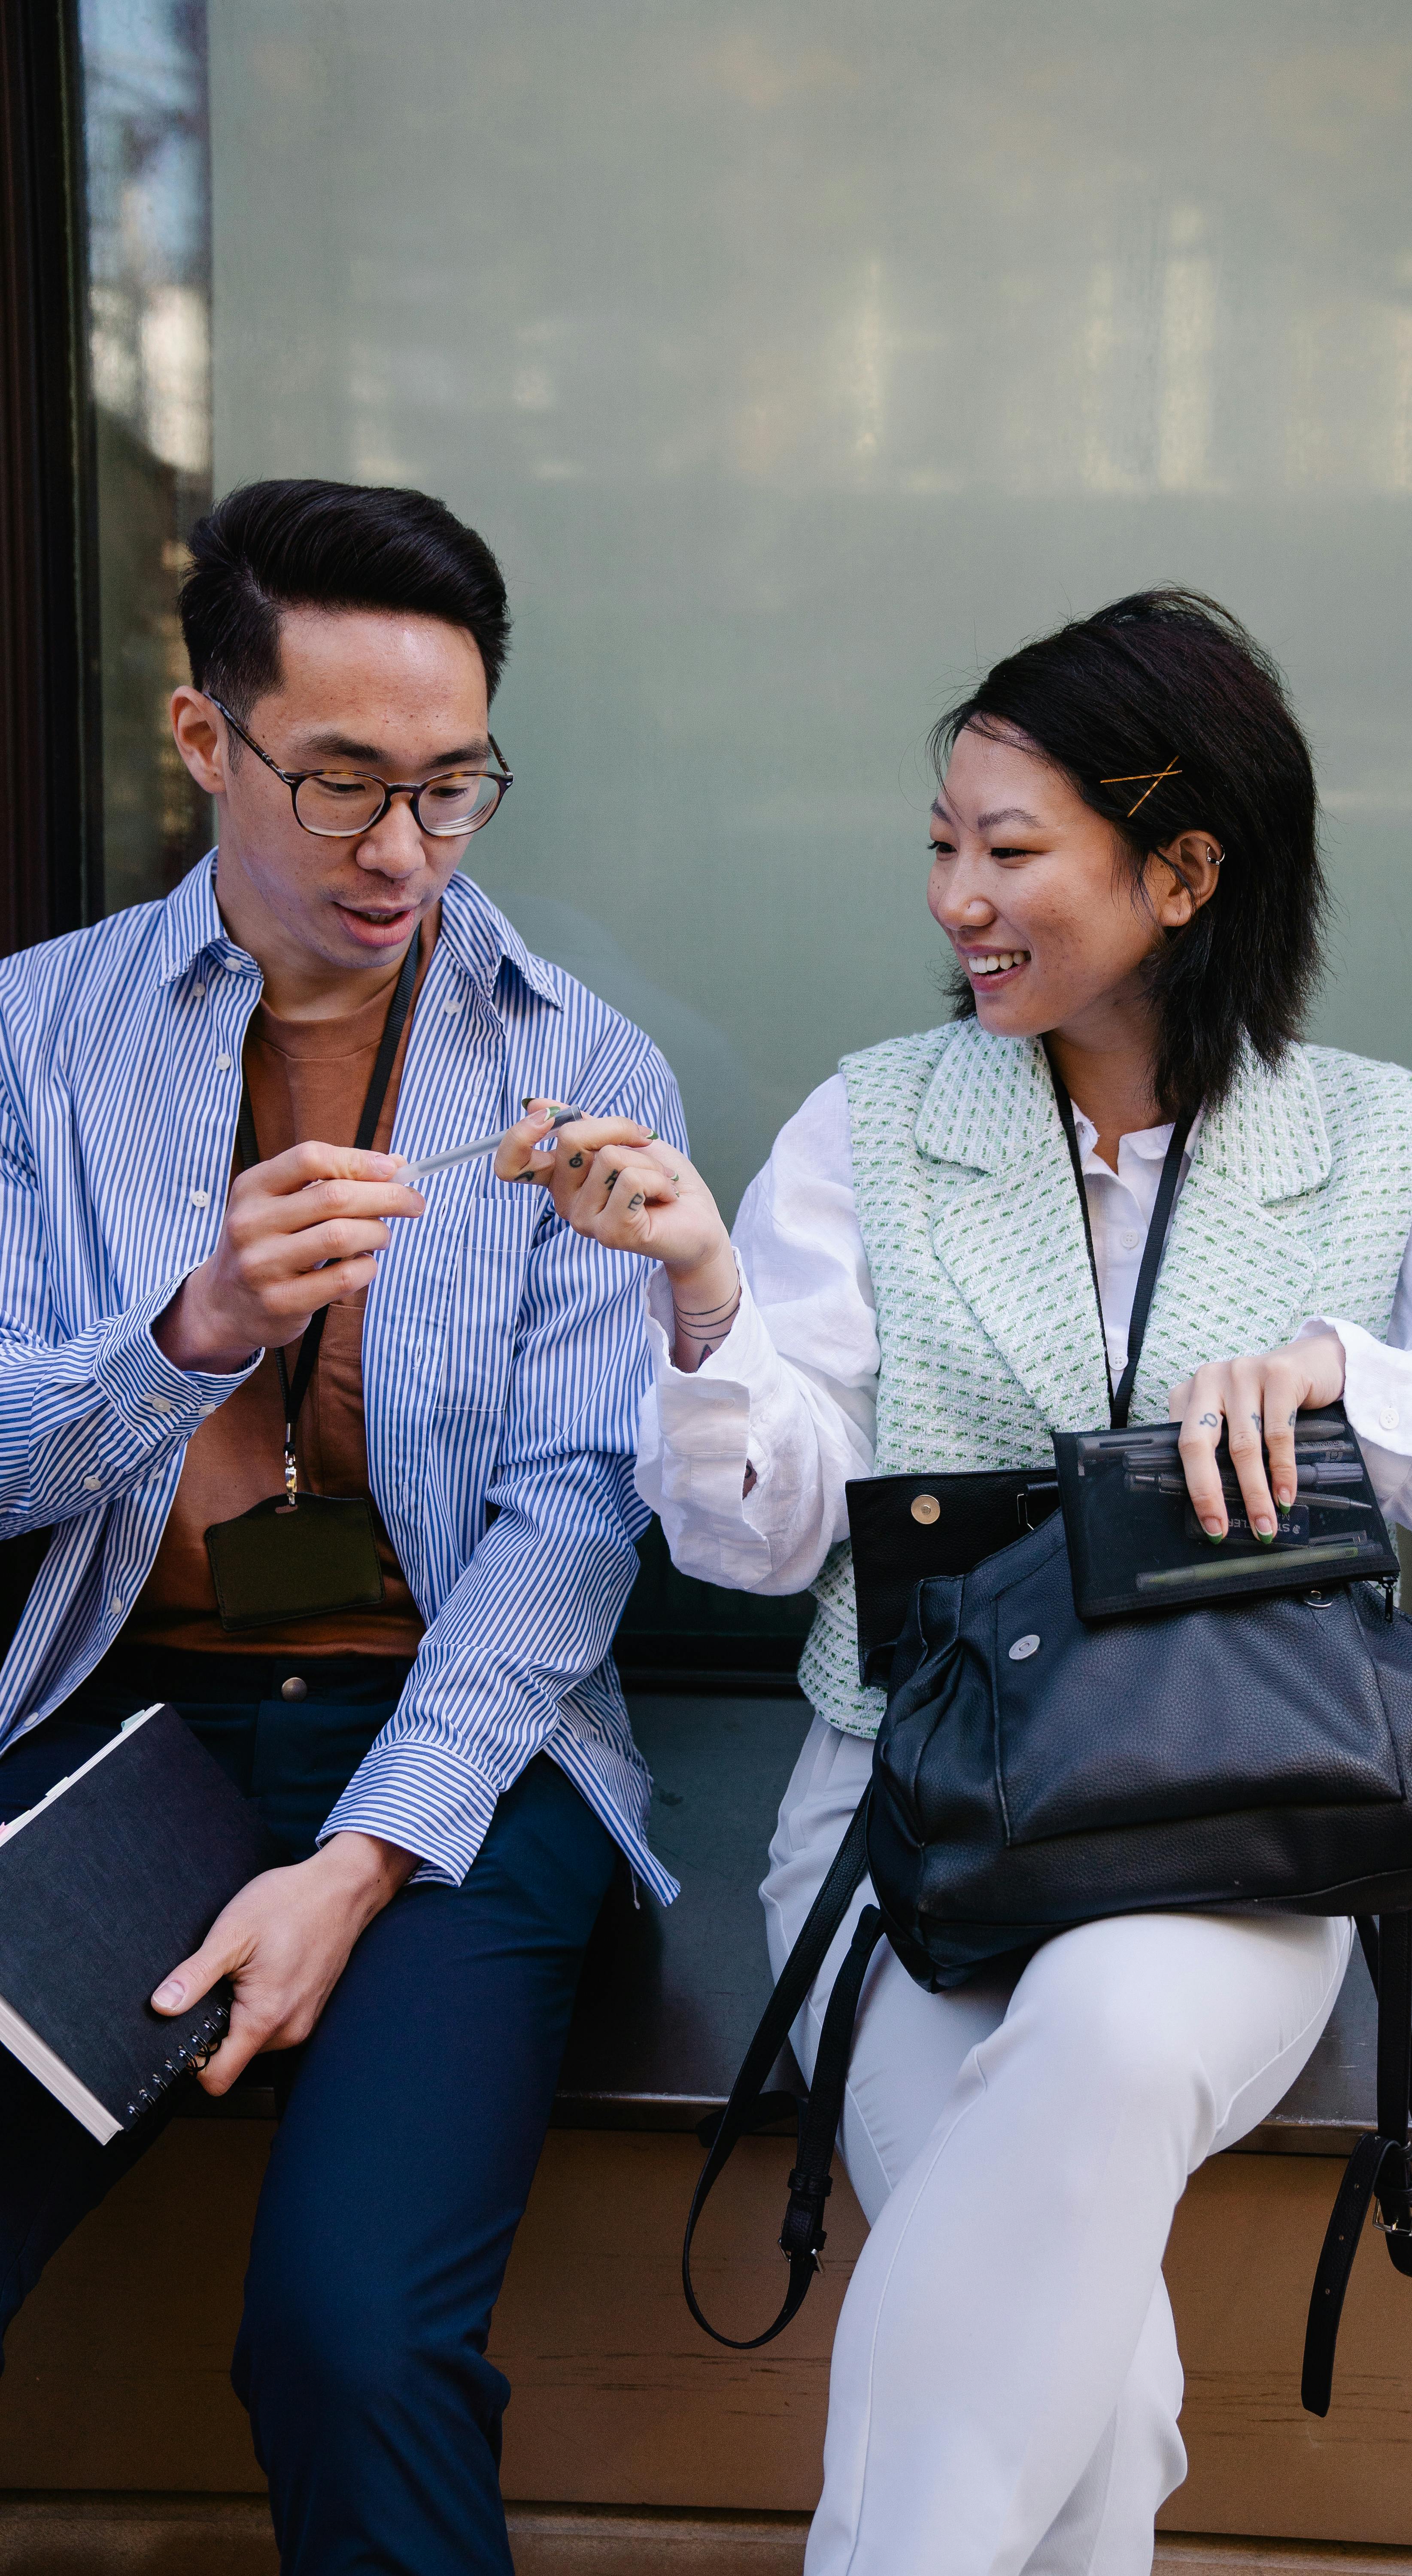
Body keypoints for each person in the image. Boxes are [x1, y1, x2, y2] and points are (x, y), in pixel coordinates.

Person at [498, 588, 1412, 2575]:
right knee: (1090, 2398)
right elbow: (754, 1542)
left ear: (1185, 870)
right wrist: (700, 1296)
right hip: (898, 1829)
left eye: (1011, 849)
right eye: (943, 842)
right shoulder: (873, 1127)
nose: (958, 894)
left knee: (1116, 2035)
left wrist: (1350, 1379)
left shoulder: (1393, 1150)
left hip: (1233, 1845)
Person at [0, 478, 685, 2575]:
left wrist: (361, 1862)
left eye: (454, 786)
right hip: (132, 1739)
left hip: (466, 1764)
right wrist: (188, 1328)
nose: (404, 851)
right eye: (344, 784)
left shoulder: (576, 1062)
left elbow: (575, 1531)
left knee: (351, 2335)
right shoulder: (33, 1039)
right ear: (208, 742)